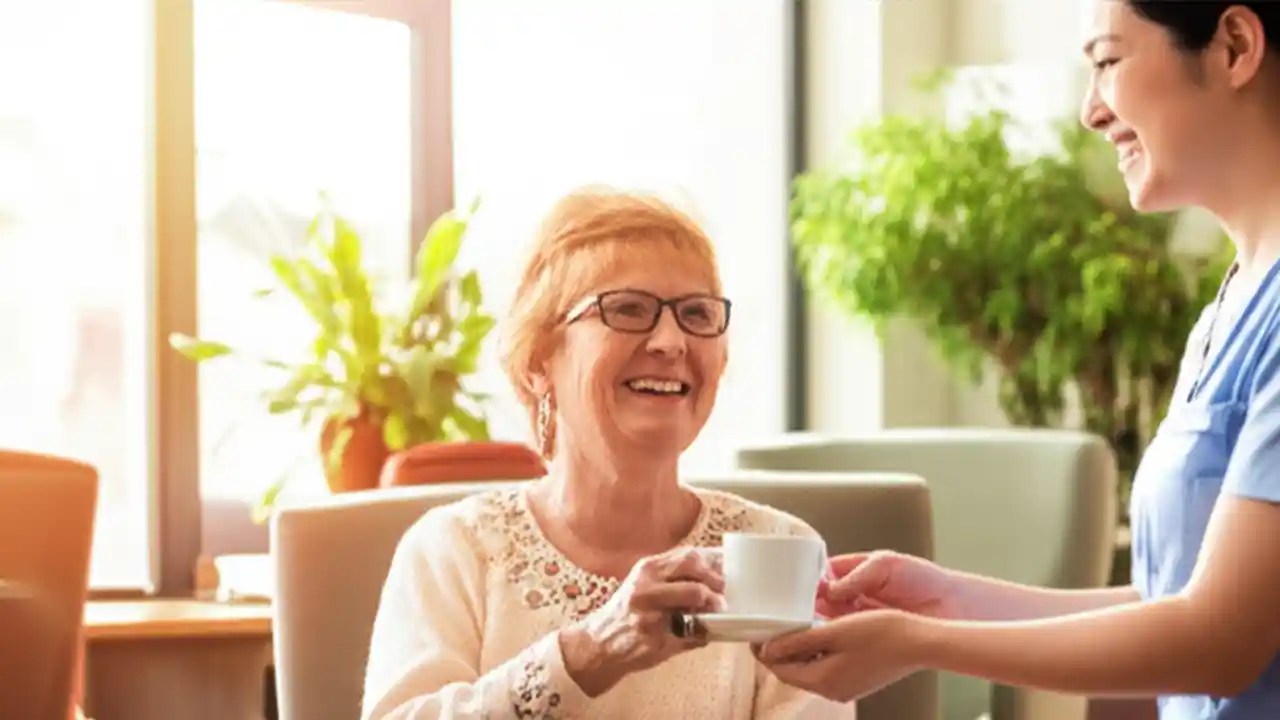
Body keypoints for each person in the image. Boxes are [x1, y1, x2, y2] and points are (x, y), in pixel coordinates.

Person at [755, 2, 1280, 718]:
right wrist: (947, 604)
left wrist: (921, 643)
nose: (1090, 111)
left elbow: (1222, 641)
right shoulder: (1230, 305)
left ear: (1235, 46)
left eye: (1107, 61)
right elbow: (1178, 599)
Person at [361, 188, 854, 719]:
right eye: (627, 309)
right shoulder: (456, 551)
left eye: (695, 313)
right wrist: (588, 653)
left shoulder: (781, 551)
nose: (670, 341)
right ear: (538, 361)